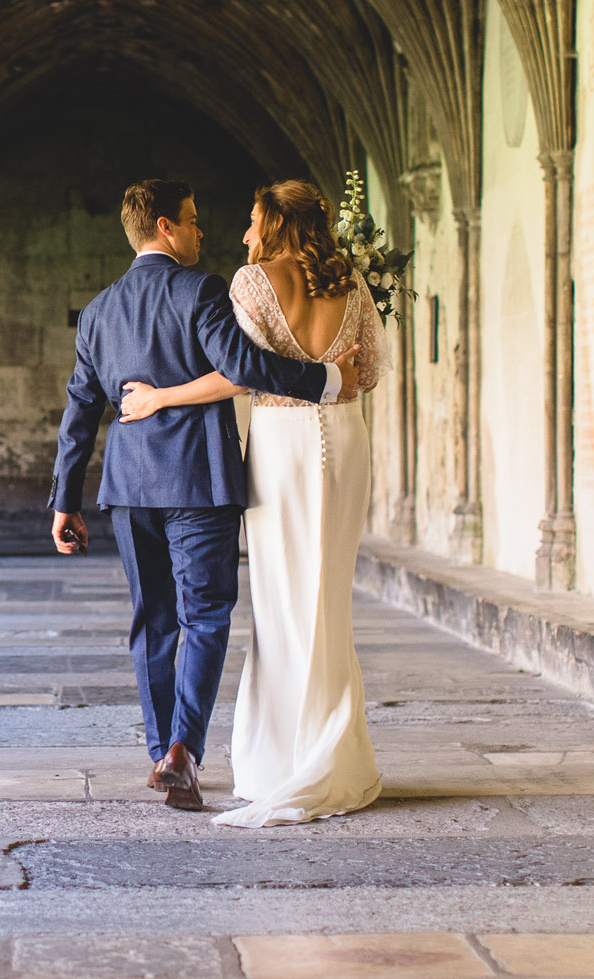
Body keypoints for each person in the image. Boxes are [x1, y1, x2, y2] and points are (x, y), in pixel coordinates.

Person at [50, 179, 355, 811]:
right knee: (206, 616)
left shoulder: (98, 311)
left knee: (152, 619)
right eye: (191, 221)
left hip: (129, 488)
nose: (201, 232)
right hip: (200, 482)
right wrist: (326, 380)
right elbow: (242, 366)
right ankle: (183, 752)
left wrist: (65, 500)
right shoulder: (202, 290)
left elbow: (80, 409)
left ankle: (160, 750)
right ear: (165, 227)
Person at [117, 180, 388, 826]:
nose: (244, 233)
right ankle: (335, 753)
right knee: (329, 598)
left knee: (279, 601)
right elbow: (370, 373)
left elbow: (238, 370)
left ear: (277, 225)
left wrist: (160, 397)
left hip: (281, 443)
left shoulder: (252, 281)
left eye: (253, 220)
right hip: (345, 438)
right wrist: (334, 372)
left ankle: (281, 761)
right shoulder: (352, 280)